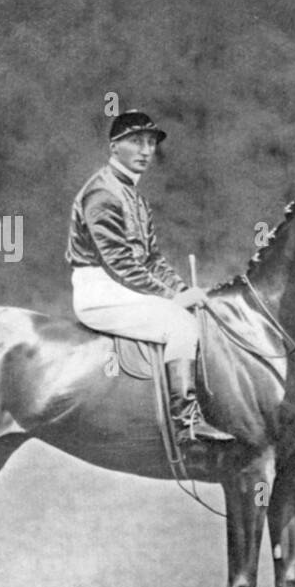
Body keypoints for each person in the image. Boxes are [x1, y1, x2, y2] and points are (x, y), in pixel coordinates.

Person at [66, 109, 233, 442]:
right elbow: (121, 264)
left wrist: (185, 290)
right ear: (115, 146)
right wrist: (173, 299)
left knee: (195, 312)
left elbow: (152, 259)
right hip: (101, 289)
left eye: (150, 143)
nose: (145, 151)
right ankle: (185, 422)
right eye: (135, 142)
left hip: (121, 286)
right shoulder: (102, 193)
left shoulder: (135, 198)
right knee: (179, 324)